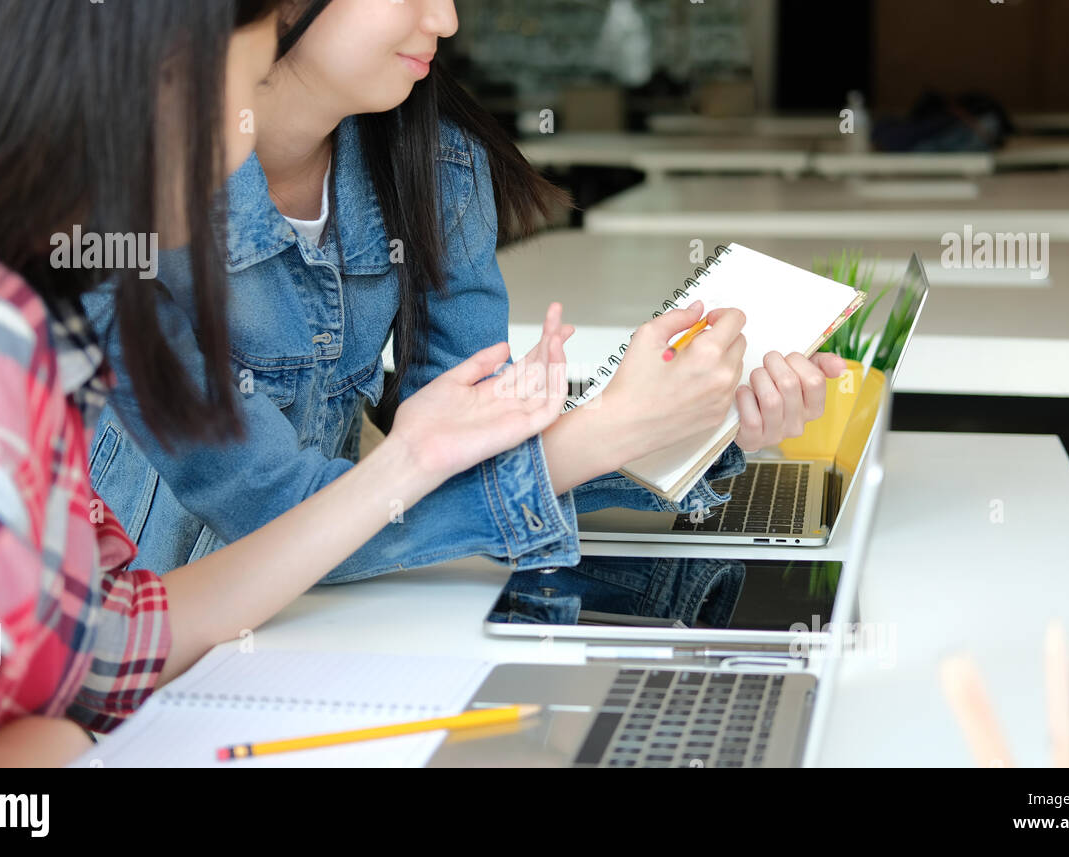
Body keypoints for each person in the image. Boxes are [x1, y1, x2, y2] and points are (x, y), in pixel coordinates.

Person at [0, 0, 566, 767]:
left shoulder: (30, 323)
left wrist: (410, 461)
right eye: (248, 88)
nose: (251, 138)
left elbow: (109, 644)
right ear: (149, 80)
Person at [86, 0, 848, 578]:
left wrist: (685, 429)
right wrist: (607, 432)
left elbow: (466, 467)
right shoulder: (117, 207)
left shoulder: (437, 167)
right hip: (130, 672)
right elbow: (274, 512)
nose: (446, 19)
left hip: (319, 622)